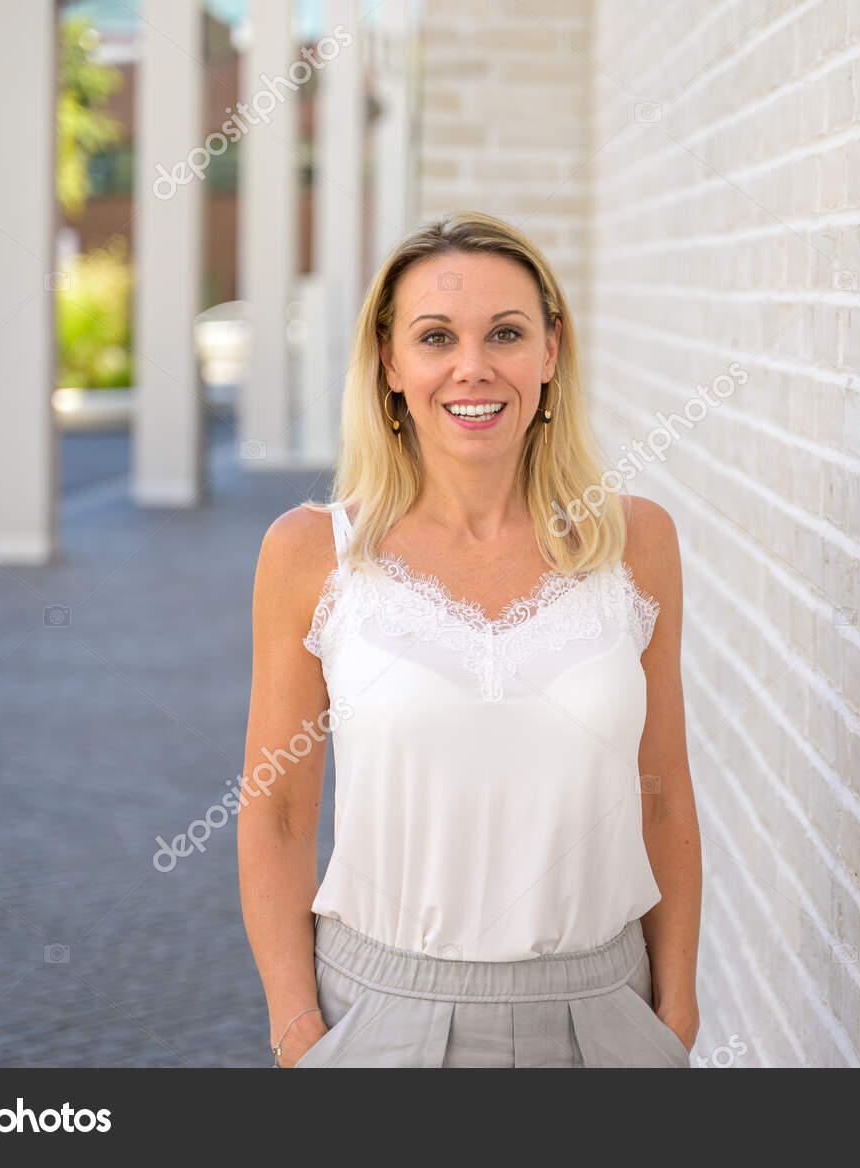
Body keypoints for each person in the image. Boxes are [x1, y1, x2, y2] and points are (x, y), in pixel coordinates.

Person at [239, 212, 702, 1068]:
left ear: (551, 352)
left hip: (606, 1020)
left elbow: (664, 792)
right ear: (389, 362)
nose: (473, 367)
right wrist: (298, 1031)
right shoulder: (311, 555)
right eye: (436, 337)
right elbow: (275, 811)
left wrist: (674, 1012)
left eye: (507, 334)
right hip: (379, 1021)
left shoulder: (636, 543)